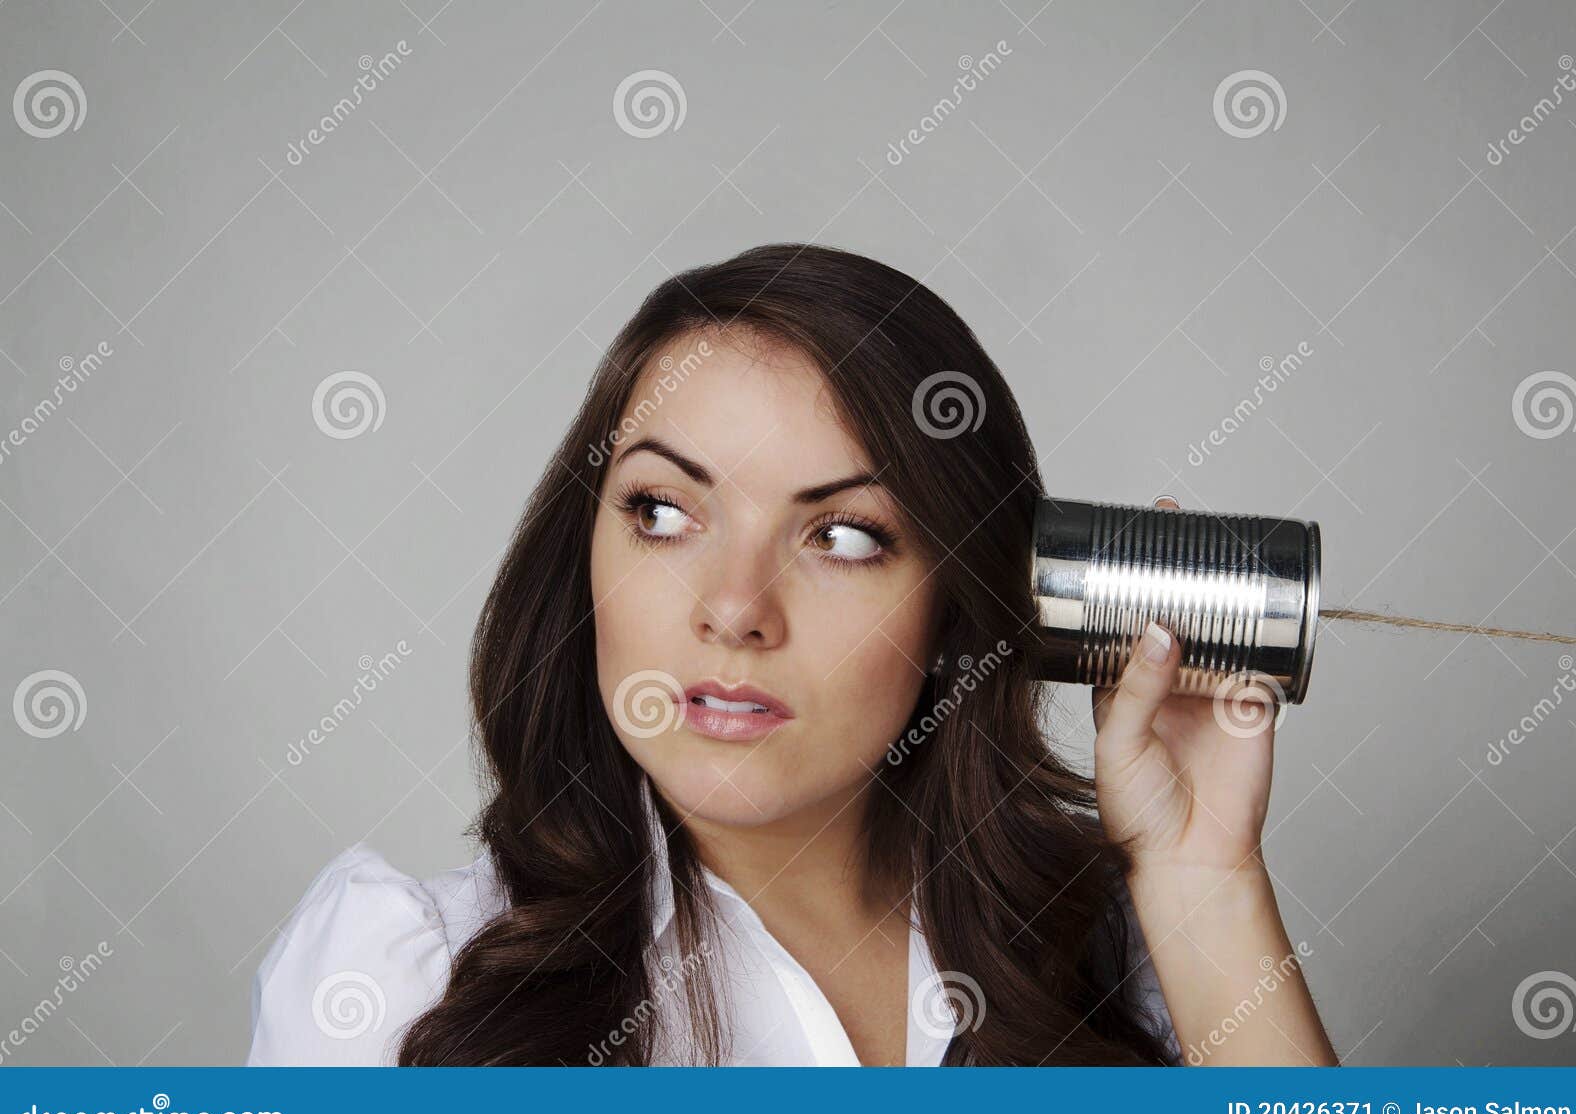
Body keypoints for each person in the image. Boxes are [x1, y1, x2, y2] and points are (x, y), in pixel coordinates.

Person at [246, 243, 1336, 1066]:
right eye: (664, 513)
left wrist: (1205, 883)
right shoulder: (399, 981)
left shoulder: (1108, 955)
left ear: (959, 606)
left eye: (844, 535)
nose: (733, 608)